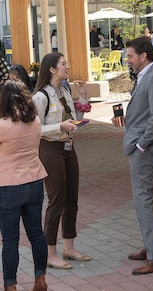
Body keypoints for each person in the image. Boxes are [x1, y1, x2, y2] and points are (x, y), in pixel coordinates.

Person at [0, 79, 49, 291]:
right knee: (36, 234)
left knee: (10, 240)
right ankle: (40, 278)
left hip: (9, 184)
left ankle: (11, 285)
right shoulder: (35, 121)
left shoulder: (0, 126)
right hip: (35, 180)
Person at [32, 52, 92, 270]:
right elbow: (34, 129)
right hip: (50, 149)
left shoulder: (65, 90)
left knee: (71, 199)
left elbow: (77, 117)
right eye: (63, 64)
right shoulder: (40, 97)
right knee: (57, 200)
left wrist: (83, 95)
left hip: (68, 147)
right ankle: (50, 253)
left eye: (67, 62)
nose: (68, 66)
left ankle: (69, 247)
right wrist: (60, 126)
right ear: (51, 69)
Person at [120, 35, 153, 275]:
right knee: (142, 200)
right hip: (139, 145)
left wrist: (141, 145)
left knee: (144, 200)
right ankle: (151, 248)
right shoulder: (146, 76)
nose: (127, 60)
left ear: (143, 56)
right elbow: (145, 112)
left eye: (130, 56)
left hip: (144, 150)